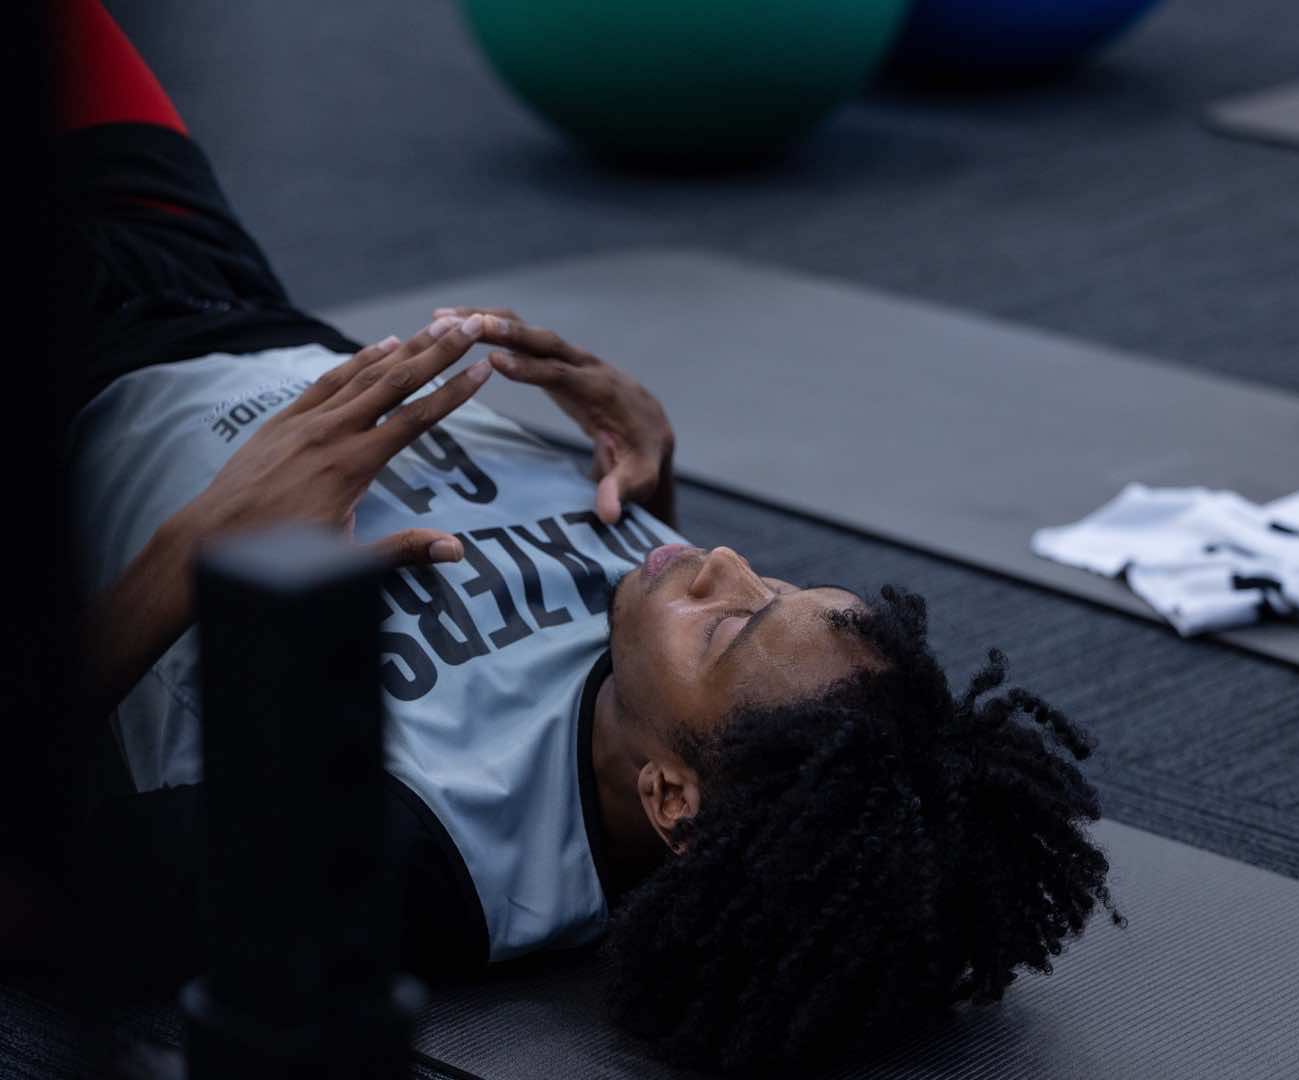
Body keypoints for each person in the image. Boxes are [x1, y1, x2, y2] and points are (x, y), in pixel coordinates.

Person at [58, 1, 1114, 1070]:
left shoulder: (406, 852)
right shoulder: (671, 658)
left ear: (672, 803)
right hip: (215, 277)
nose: (725, 564)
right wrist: (649, 477)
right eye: (786, 586)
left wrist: (191, 554)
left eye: (731, 626)